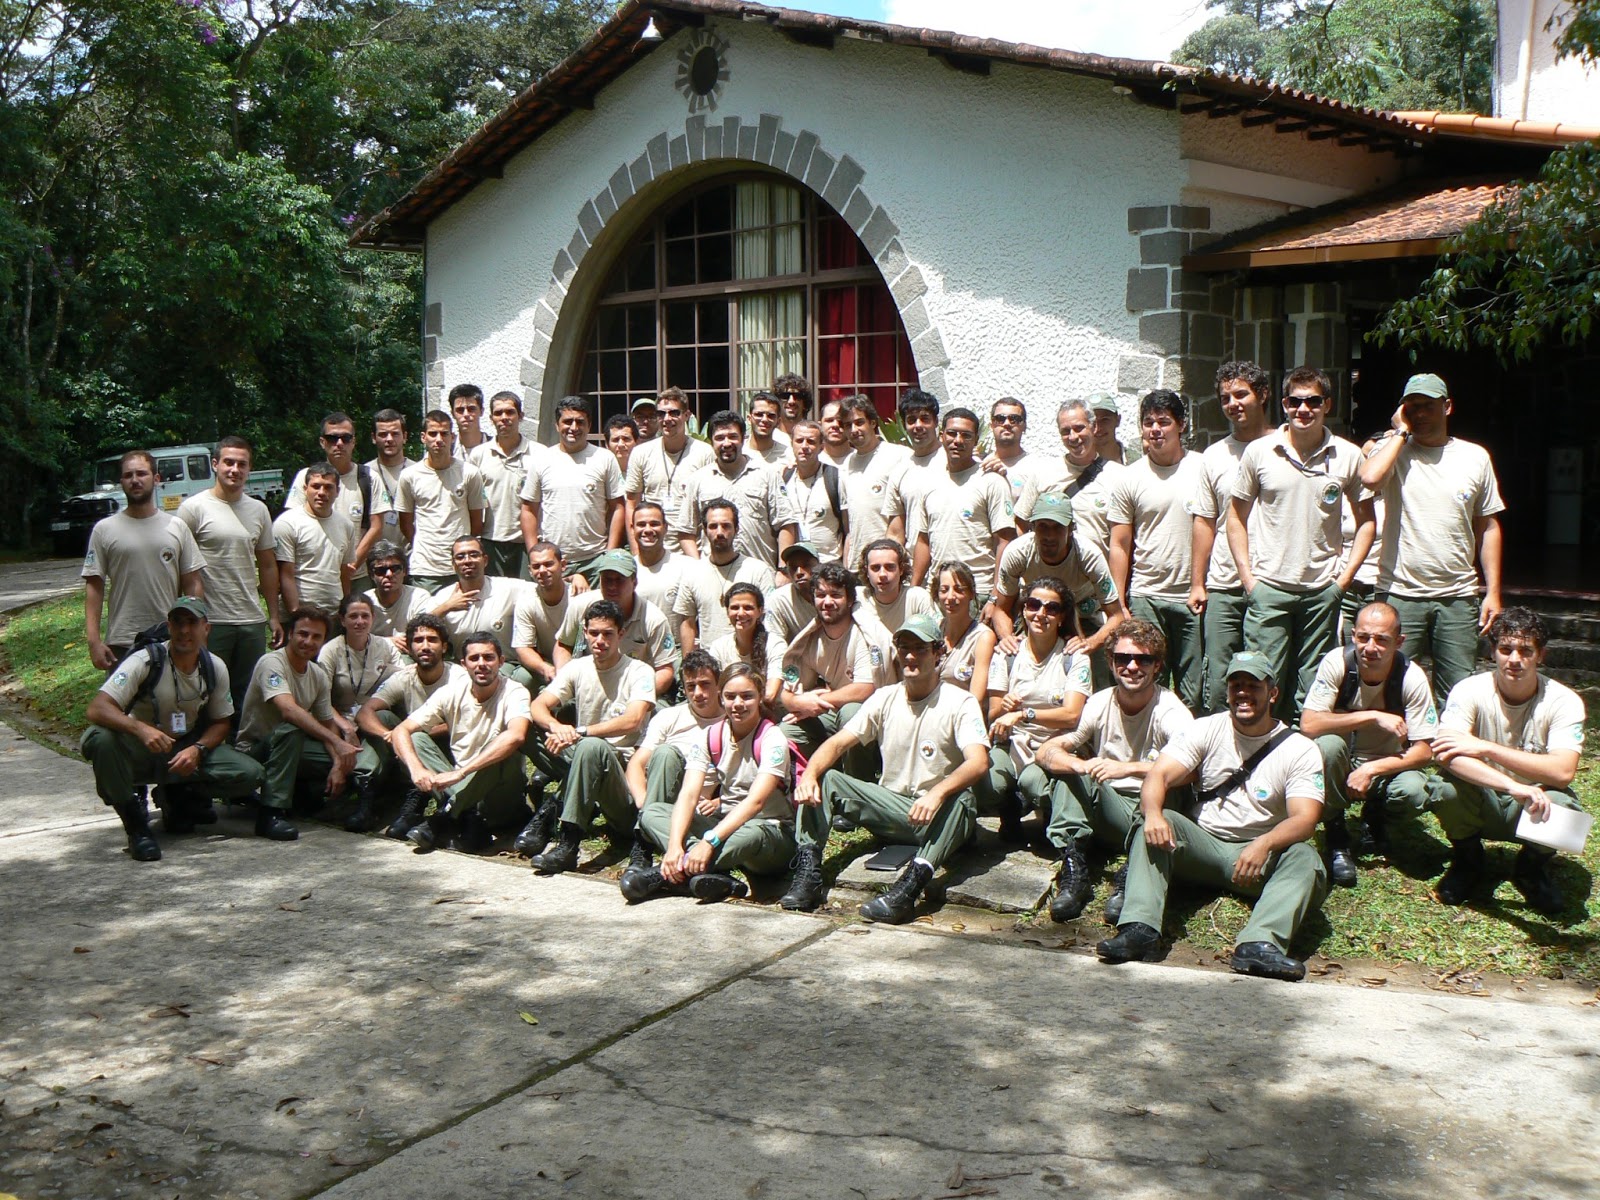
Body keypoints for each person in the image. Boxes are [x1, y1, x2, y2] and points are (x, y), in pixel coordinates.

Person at [1096, 650, 1327, 982]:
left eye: (1253, 685)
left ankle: (1259, 944)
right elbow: (1158, 776)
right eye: (1236, 686)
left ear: (1272, 693)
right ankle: (1139, 930)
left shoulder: (1299, 748)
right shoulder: (1206, 728)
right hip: (1201, 843)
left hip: (1256, 854)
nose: (1243, 693)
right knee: (1160, 820)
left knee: (1305, 857)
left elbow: (1305, 818)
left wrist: (1264, 844)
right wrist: (1154, 815)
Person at [783, 613, 990, 923]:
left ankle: (908, 890)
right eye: (903, 646)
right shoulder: (885, 697)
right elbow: (838, 743)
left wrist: (936, 793)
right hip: (892, 809)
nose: (909, 655)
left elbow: (979, 761)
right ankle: (808, 874)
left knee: (963, 799)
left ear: (937, 653)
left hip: (936, 817)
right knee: (829, 779)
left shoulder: (960, 702)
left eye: (920, 648)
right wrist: (810, 775)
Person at [1228, 366, 1374, 723]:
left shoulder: (1349, 455)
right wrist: (1250, 581)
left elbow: (1367, 521)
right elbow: (1235, 518)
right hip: (1270, 588)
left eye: (1312, 401)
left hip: (1321, 590)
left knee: (1312, 687)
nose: (1303, 409)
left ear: (1327, 404)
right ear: (1284, 404)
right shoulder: (1260, 452)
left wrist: (1341, 582)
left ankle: (1302, 760)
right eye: (1295, 401)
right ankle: (1260, 757)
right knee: (1263, 679)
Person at [1025, 620, 1195, 922]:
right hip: (1109, 806)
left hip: (1150, 812)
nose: (1132, 666)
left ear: (1157, 666)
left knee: (1164, 790)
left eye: (1143, 659)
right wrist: (1078, 764)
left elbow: (1193, 770)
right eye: (1123, 658)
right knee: (1067, 773)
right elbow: (1046, 751)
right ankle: (1074, 867)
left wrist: (1126, 768)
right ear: (1110, 662)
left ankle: (1130, 878)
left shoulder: (1170, 711)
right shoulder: (1100, 702)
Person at [1359, 372, 1506, 707]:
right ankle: (1391, 755)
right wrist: (1400, 431)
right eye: (1413, 407)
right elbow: (1369, 477)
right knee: (1389, 684)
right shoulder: (1395, 451)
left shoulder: (1475, 457)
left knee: (1458, 690)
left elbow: (1488, 525)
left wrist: (1493, 591)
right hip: (1400, 592)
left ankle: (1450, 756)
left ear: (1448, 407)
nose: (1421, 414)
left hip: (1457, 595)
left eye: (1428, 406)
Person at [1430, 608, 1586, 914]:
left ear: (1541, 655)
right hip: (1483, 795)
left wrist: (1485, 747)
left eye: (1525, 650)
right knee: (1443, 788)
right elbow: (1446, 754)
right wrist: (1511, 785)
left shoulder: (1564, 701)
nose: (1514, 659)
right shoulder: (1468, 690)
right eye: (1505, 649)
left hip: (1533, 801)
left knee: (1567, 814)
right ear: (1493, 652)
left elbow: (1563, 771)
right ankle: (1468, 861)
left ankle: (1529, 870)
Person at [82, 597, 263, 861]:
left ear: (206, 629)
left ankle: (178, 795)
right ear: (169, 626)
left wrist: (198, 749)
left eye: (192, 623)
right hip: (142, 748)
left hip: (182, 748)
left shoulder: (214, 667)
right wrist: (140, 729)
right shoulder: (146, 660)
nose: (184, 631)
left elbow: (221, 722)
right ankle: (135, 826)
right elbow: (97, 709)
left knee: (250, 773)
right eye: (178, 623)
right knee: (99, 739)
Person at [624, 663, 798, 902]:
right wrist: (674, 845)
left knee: (753, 833)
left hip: (770, 831)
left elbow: (756, 803)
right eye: (730, 696)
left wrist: (709, 841)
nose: (738, 704)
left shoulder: (772, 738)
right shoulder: (711, 736)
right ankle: (708, 873)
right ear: (721, 697)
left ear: (759, 698)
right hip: (724, 824)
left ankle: (670, 874)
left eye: (747, 696)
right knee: (652, 812)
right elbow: (688, 794)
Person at [1299, 601, 1437, 886]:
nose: (1370, 647)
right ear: (1353, 635)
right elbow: (1309, 723)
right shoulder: (1338, 663)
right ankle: (1336, 834)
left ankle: (1376, 817)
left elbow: (1425, 750)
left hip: (1386, 767)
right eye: (1363, 637)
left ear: (1399, 642)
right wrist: (1372, 716)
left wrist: (1371, 770)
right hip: (1342, 761)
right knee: (1326, 747)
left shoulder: (1412, 678)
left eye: (1382, 640)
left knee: (1414, 791)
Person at [524, 600, 657, 872]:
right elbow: (538, 705)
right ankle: (556, 806)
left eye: (608, 633)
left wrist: (579, 732)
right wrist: (555, 726)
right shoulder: (577, 667)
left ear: (621, 634)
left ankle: (567, 840)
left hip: (621, 770)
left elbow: (633, 720)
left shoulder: (639, 671)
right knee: (524, 726)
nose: (600, 640)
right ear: (584, 632)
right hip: (581, 753)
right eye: (594, 633)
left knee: (591, 747)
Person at [1107, 390, 1206, 711]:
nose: (1155, 429)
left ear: (1181, 426)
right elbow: (1120, 543)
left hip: (1192, 599)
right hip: (1146, 595)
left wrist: (1200, 584)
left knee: (1193, 688)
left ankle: (1189, 757)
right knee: (1147, 684)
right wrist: (1119, 601)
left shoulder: (1202, 469)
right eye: (1148, 423)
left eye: (1164, 422)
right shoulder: (1129, 477)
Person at [393, 633, 533, 854]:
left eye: (488, 658)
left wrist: (461, 773)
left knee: (504, 747)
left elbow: (516, 735)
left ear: (502, 661)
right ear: (464, 664)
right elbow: (401, 730)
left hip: (497, 795)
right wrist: (416, 769)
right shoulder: (451, 691)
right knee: (415, 738)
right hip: (461, 786)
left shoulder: (514, 692)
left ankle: (444, 817)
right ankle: (465, 814)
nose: (481, 664)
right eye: (474, 658)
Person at [234, 606, 361, 842]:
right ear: (290, 633)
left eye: (316, 637)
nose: (308, 641)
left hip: (292, 748)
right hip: (256, 748)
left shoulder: (317, 674)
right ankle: (271, 813)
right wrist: (337, 742)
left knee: (351, 763)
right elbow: (288, 710)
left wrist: (337, 763)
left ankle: (306, 798)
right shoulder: (271, 663)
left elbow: (326, 722)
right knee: (291, 730)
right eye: (303, 634)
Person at [1189, 361, 1274, 713]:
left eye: (1241, 394)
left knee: (1265, 674)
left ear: (1263, 395)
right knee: (1220, 676)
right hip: (1223, 583)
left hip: (1271, 579)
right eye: (1225, 398)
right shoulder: (1214, 456)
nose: (1233, 404)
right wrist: (1198, 582)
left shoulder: (1284, 447)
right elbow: (1205, 521)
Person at [176, 436, 280, 712]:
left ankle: (243, 747)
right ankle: (208, 748)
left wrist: (274, 615)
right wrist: (187, 617)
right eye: (229, 462)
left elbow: (268, 565)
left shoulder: (259, 510)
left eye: (241, 464)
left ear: (249, 469)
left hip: (250, 620)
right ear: (215, 465)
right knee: (209, 688)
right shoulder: (193, 509)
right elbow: (179, 566)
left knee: (247, 694)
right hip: (211, 619)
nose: (235, 470)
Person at [985, 578, 1093, 841]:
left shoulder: (1073, 658)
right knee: (988, 783)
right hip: (1013, 743)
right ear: (1023, 609)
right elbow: (993, 714)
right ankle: (1008, 808)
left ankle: (1050, 812)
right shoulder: (1006, 655)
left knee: (1034, 783)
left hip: (1054, 744)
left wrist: (1024, 714)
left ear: (1061, 616)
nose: (1041, 614)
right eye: (1033, 605)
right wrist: (1004, 708)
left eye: (1051, 608)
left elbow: (1072, 714)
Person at [83, 450, 205, 670]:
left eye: (141, 473)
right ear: (121, 482)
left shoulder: (176, 527)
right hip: (122, 642)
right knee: (119, 705)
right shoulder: (104, 530)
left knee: (173, 703)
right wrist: (94, 641)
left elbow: (192, 582)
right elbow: (94, 586)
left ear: (156, 479)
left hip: (170, 638)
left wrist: (196, 629)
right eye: (128, 475)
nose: (135, 480)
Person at [993, 494, 1125, 689]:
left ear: (1071, 529)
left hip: (1083, 612)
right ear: (1032, 527)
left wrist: (1090, 644)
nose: (1049, 536)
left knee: (1098, 676)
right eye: (1043, 527)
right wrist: (1007, 638)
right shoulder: (1017, 552)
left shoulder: (1089, 556)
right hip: (1036, 611)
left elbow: (1116, 616)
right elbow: (1001, 608)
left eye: (1057, 528)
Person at [351, 613, 466, 836]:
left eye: (432, 640)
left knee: (413, 736)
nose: (425, 646)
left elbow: (464, 724)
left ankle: (419, 802)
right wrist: (391, 736)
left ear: (444, 647)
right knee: (382, 718)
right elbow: (365, 712)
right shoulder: (404, 677)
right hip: (407, 744)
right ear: (410, 648)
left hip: (446, 747)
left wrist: (411, 735)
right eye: (418, 640)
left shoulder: (459, 678)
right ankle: (367, 795)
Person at [620, 649, 725, 880]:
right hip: (663, 804)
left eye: (705, 684)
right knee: (666, 753)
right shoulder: (669, 717)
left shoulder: (731, 721)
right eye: (690, 686)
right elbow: (636, 765)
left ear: (719, 685)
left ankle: (678, 857)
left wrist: (719, 801)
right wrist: (645, 805)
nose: (698, 693)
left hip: (702, 810)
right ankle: (645, 844)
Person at [777, 562, 880, 764]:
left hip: (871, 714)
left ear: (850, 600)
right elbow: (789, 689)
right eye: (821, 595)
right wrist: (798, 702)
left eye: (835, 595)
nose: (827, 602)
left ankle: (855, 786)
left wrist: (819, 701)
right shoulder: (810, 640)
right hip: (831, 712)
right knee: (786, 731)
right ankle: (814, 782)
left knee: (851, 713)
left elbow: (866, 688)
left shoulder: (862, 634)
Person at [909, 407, 1016, 601]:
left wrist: (995, 596)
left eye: (966, 435)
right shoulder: (928, 482)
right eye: (952, 433)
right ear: (941, 436)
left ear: (975, 440)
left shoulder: (991, 481)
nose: (957, 440)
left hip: (978, 591)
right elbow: (923, 540)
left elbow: (1005, 542)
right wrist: (914, 590)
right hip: (938, 591)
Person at [520, 396, 625, 584]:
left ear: (589, 425)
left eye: (580, 422)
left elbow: (618, 507)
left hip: (595, 559)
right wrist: (535, 554)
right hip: (554, 562)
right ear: (557, 425)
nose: (574, 427)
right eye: (567, 421)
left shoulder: (604, 458)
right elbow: (528, 509)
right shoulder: (542, 460)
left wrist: (610, 552)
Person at [674, 409, 797, 570]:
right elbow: (685, 531)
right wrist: (699, 569)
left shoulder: (767, 475)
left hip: (760, 573)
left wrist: (783, 569)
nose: (726, 443)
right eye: (719, 438)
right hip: (715, 575)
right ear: (711, 442)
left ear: (743, 439)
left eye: (732, 436)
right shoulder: (698, 480)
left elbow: (785, 523)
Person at [552, 549, 676, 697]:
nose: (612, 586)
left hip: (634, 689)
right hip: (588, 685)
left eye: (619, 580)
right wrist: (566, 681)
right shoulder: (580, 606)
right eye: (607, 579)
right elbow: (563, 645)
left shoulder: (653, 619)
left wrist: (639, 696)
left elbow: (665, 670)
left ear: (634, 582)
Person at [1015, 398, 1127, 558]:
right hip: (1049, 579)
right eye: (1065, 431)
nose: (1073, 437)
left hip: (1095, 578)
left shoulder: (1118, 477)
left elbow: (1122, 542)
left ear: (1093, 427)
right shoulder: (1043, 474)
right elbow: (1021, 524)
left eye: (1079, 428)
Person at [284, 412, 389, 580]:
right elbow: (292, 525)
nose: (339, 443)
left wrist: (351, 566)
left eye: (346, 438)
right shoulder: (305, 477)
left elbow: (376, 528)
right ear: (322, 442)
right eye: (332, 438)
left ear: (353, 442)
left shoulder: (369, 478)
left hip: (357, 576)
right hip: (314, 574)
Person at [397, 409, 488, 593]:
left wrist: (463, 552)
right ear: (423, 437)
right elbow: (406, 524)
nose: (439, 439)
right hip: (425, 567)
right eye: (433, 433)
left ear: (452, 437)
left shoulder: (469, 473)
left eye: (444, 433)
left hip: (462, 566)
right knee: (428, 619)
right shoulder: (409, 476)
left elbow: (477, 523)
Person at [672, 500, 777, 653]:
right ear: (705, 530)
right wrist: (689, 669)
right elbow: (687, 624)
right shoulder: (693, 572)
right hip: (710, 664)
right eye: (713, 526)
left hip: (750, 661)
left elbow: (770, 620)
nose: (719, 532)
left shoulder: (758, 570)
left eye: (726, 526)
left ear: (736, 529)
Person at [469, 390, 542, 581]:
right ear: (491, 418)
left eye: (510, 412)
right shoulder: (478, 455)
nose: (504, 418)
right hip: (491, 541)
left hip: (528, 542)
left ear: (521, 416)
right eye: (498, 413)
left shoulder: (540, 454)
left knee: (528, 598)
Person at [624, 387, 713, 543]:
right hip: (652, 547)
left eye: (674, 413)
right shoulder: (641, 453)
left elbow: (712, 507)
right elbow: (631, 504)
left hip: (693, 547)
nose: (666, 419)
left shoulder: (705, 453)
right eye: (661, 414)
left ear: (686, 416)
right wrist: (636, 551)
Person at [273, 462, 357, 619]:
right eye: (316, 486)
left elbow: (344, 573)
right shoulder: (287, 523)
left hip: (332, 614)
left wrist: (345, 610)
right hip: (299, 615)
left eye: (328, 487)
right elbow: (285, 575)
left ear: (337, 491)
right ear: (305, 489)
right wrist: (296, 614)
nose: (321, 492)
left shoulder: (346, 526)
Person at [838, 393, 911, 565]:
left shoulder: (899, 456)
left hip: (889, 563)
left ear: (872, 423)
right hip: (858, 565)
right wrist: (848, 565)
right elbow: (850, 526)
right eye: (848, 425)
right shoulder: (847, 465)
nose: (854, 430)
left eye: (859, 422)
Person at [430, 535, 524, 660]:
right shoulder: (443, 597)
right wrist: (447, 607)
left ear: (485, 560)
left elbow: (542, 590)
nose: (467, 561)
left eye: (474, 555)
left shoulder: (508, 588)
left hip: (505, 665)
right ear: (453, 564)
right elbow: (419, 627)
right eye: (460, 557)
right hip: (464, 668)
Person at [320, 592, 403, 723]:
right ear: (342, 620)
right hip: (339, 720)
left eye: (365, 616)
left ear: (373, 618)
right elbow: (321, 700)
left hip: (375, 715)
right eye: (353, 616)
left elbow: (403, 680)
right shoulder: (330, 651)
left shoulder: (385, 646)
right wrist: (345, 727)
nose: (360, 622)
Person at [706, 582, 787, 709]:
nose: (741, 613)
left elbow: (770, 695)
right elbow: (713, 691)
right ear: (727, 611)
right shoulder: (719, 647)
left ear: (760, 611)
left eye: (748, 608)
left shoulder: (775, 644)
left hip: (772, 713)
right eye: (734, 608)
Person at [933, 560, 1003, 705]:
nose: (950, 597)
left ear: (971, 593)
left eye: (959, 590)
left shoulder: (983, 637)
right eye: (944, 590)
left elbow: (975, 699)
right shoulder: (933, 630)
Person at [780, 419, 847, 564]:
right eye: (799, 440)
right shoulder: (785, 478)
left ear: (821, 446)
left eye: (811, 441)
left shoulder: (835, 477)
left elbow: (849, 530)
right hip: (796, 566)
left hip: (829, 563)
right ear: (792, 444)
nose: (804, 446)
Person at [882, 388, 943, 543]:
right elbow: (895, 532)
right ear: (904, 425)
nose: (918, 425)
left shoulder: (955, 461)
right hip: (914, 561)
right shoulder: (899, 472)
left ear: (936, 422)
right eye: (911, 420)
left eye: (925, 419)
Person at [511, 541, 572, 691]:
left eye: (549, 564)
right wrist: (545, 668)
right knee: (521, 678)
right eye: (536, 566)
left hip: (579, 660)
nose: (542, 570)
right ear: (530, 570)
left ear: (563, 565)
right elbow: (523, 648)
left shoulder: (577, 596)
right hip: (546, 662)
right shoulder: (526, 602)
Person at [858, 539, 937, 641]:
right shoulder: (858, 599)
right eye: (875, 568)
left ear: (901, 569)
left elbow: (934, 639)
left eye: (890, 567)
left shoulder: (918, 598)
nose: (882, 574)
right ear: (866, 571)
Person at [361, 541, 431, 650]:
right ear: (371, 575)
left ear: (405, 571)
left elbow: (421, 637)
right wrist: (388, 641)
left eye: (395, 569)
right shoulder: (364, 602)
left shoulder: (419, 597)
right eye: (381, 570)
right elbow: (357, 639)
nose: (389, 574)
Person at [629, 500, 689, 621]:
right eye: (641, 524)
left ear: (665, 527)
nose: (648, 530)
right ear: (632, 529)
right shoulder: (627, 571)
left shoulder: (686, 567)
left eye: (654, 524)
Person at [367, 408, 417, 543]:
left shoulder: (418, 472)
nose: (389, 439)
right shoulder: (364, 474)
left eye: (395, 434)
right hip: (376, 557)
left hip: (413, 555)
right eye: (383, 434)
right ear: (373, 438)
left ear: (405, 437)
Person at [978, 397, 1034, 504]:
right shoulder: (981, 467)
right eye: (1000, 419)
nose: (1007, 423)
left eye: (1014, 419)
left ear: (1024, 426)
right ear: (992, 426)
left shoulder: (1036, 468)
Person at [765, 542, 820, 642]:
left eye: (806, 565)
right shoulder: (779, 599)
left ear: (819, 566)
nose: (799, 573)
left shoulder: (834, 594)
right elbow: (775, 639)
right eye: (793, 568)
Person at [746, 391, 793, 468]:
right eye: (759, 414)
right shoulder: (739, 452)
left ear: (778, 421)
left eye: (771, 416)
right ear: (749, 419)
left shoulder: (788, 455)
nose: (764, 419)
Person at [449, 382, 487, 455]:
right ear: (452, 414)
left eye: (471, 409)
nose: (466, 414)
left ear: (481, 411)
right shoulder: (446, 452)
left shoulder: (497, 448)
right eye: (460, 410)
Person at [1088, 393, 1125, 465]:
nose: (1098, 428)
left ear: (1118, 420)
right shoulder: (1076, 466)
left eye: (1105, 420)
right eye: (1092, 422)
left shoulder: (1136, 461)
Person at [817, 397, 852, 468]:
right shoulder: (813, 463)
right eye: (829, 420)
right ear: (820, 425)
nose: (835, 425)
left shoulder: (863, 460)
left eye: (840, 421)